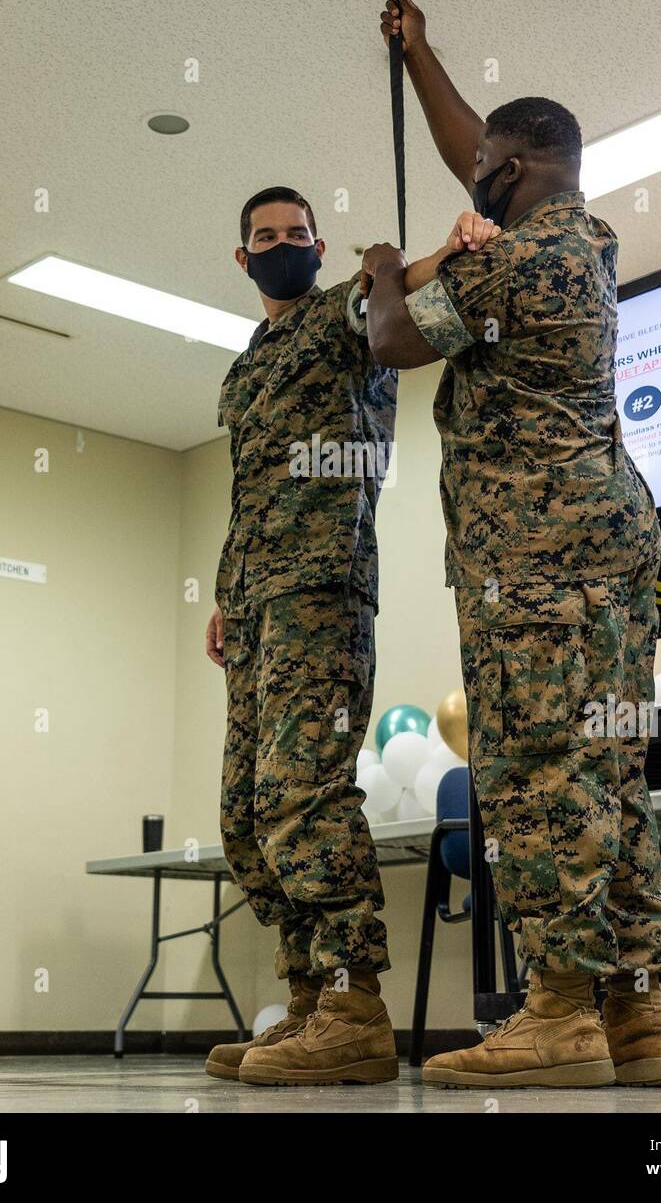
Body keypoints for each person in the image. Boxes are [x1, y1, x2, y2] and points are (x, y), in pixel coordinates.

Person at [359, 0, 661, 1089]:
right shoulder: (579, 246)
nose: (474, 176)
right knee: (611, 770)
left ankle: (557, 1012)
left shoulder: (514, 264)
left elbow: (393, 337)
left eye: (485, 168)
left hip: (535, 557)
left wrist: (379, 265)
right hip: (608, 542)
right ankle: (640, 1013)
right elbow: (475, 151)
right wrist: (420, 54)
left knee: (538, 765)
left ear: (511, 171)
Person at [204, 186, 399, 1086]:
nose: (283, 245)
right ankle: (310, 1000)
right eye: (265, 238)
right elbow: (249, 490)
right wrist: (224, 593)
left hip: (320, 592)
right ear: (243, 259)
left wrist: (412, 260)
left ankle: (358, 1008)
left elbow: (410, 288)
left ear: (319, 248)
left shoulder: (340, 318)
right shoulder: (246, 366)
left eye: (297, 234)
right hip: (254, 606)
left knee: (303, 796)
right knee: (247, 819)